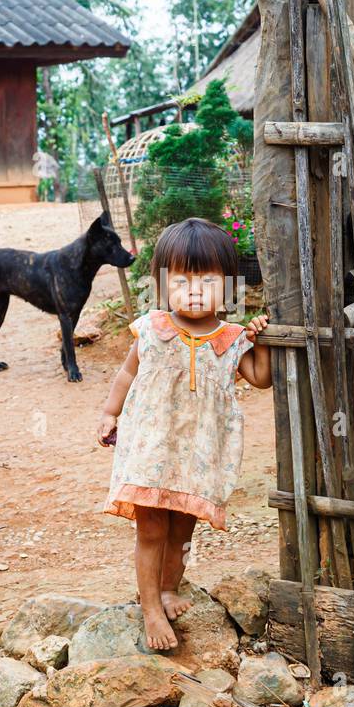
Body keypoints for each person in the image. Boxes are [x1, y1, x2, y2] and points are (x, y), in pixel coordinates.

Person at [97, 217, 272, 651]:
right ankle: (151, 606)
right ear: (162, 284)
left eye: (207, 280)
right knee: (152, 528)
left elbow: (261, 377)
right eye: (181, 280)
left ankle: (170, 588)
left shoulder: (231, 340)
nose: (193, 290)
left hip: (199, 454)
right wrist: (108, 412)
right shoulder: (153, 329)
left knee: (182, 530)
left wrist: (260, 339)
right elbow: (126, 372)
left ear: (230, 287)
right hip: (152, 449)